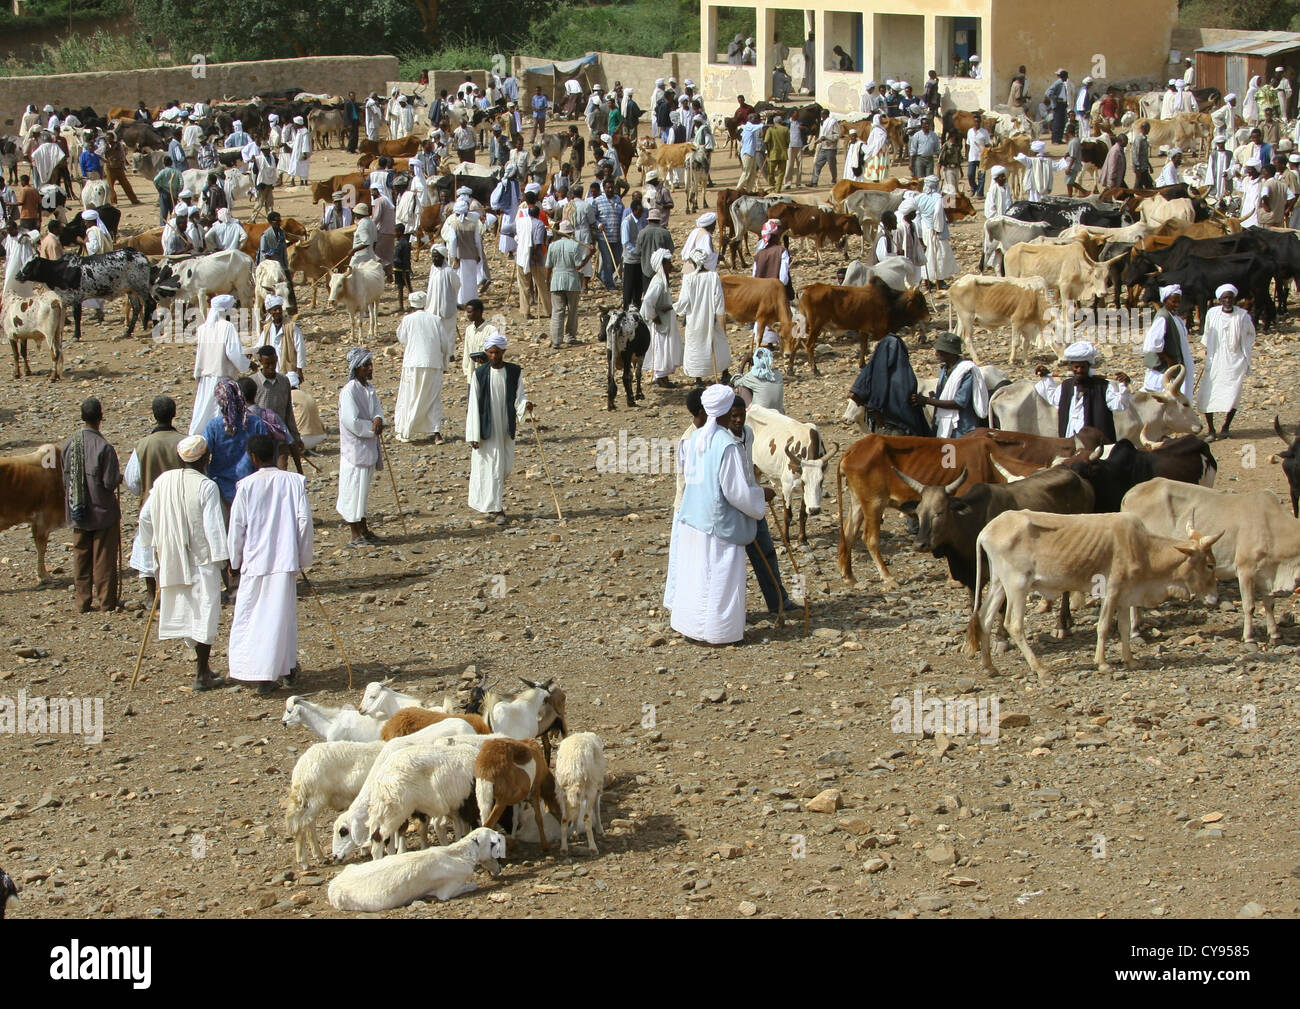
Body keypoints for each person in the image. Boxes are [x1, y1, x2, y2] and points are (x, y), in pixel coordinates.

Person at [663, 384, 772, 645]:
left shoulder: (695, 438)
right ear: (725, 411)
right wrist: (761, 497)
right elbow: (737, 493)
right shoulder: (727, 446)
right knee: (719, 582)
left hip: (692, 520)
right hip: (717, 527)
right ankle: (718, 634)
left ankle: (690, 628)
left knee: (696, 578)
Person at [133, 434, 229, 691]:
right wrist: (224, 566)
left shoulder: (163, 481)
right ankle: (202, 673)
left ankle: (203, 669)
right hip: (202, 561)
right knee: (204, 613)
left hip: (172, 559)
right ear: (206, 459)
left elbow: (145, 517)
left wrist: (156, 546)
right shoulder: (206, 486)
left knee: (190, 612)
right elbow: (214, 529)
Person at [227, 433, 314, 696]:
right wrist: (301, 556)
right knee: (282, 616)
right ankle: (284, 669)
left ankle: (267, 674)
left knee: (257, 616)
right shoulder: (293, 482)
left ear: (252, 457)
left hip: (256, 561)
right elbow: (304, 522)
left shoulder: (246, 486)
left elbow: (237, 528)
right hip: (284, 559)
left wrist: (234, 560)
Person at [466, 332, 531, 526]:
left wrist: (525, 406)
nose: (494, 356)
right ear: (486, 352)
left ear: (503, 351)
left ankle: (489, 503)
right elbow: (473, 406)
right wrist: (473, 434)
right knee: (492, 467)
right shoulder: (479, 374)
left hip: (505, 426)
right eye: (491, 353)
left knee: (505, 466)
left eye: (497, 352)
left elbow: (520, 396)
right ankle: (497, 509)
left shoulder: (514, 372)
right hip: (486, 427)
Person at [63, 397, 122, 612]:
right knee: (104, 559)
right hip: (102, 512)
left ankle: (82, 601)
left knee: (81, 557)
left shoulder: (70, 444)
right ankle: (106, 602)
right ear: (100, 418)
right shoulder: (104, 447)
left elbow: (65, 477)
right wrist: (119, 478)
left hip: (77, 511)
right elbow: (109, 481)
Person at [1033, 341, 1131, 442]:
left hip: (1096, 446)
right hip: (1070, 443)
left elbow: (1121, 404)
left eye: (1083, 367)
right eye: (1076, 367)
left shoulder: (1102, 387)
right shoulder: (1066, 386)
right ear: (1072, 368)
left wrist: (1124, 385)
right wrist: (1046, 377)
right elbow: (1052, 397)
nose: (1079, 370)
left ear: (1088, 367)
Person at [394, 289, 455, 445]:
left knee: (411, 396)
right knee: (433, 398)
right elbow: (445, 344)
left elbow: (402, 338)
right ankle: (436, 434)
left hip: (413, 364)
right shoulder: (435, 319)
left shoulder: (408, 320)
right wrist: (445, 363)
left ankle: (406, 431)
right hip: (433, 363)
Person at [1196, 284, 1255, 442]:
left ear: (1235, 299)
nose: (1228, 301)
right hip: (1215, 360)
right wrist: (1209, 351)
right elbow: (1207, 333)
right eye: (1225, 298)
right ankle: (1211, 430)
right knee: (1208, 394)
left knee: (1233, 395)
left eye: (1230, 298)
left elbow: (1251, 334)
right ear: (1219, 299)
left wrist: (1243, 354)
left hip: (1234, 362)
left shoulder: (1243, 316)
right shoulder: (1212, 314)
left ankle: (1226, 427)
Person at [202, 377, 267, 520]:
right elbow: (267, 454)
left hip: (220, 488)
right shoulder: (255, 423)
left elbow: (203, 455)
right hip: (251, 486)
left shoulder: (214, 426)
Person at [848, 333, 931, 436]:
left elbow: (854, 394)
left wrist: (874, 411)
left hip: (882, 426)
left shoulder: (872, 371)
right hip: (902, 428)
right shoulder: (904, 374)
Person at [911, 332, 988, 437]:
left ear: (951, 353)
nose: (936, 353)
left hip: (962, 428)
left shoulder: (965, 371)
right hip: (943, 423)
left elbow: (959, 403)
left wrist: (926, 400)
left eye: (940, 351)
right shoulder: (944, 370)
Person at [189, 295, 246, 435]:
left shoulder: (203, 328)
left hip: (205, 377)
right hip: (221, 379)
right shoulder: (228, 327)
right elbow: (233, 353)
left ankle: (196, 442)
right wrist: (248, 364)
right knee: (220, 413)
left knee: (202, 412)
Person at [675, 247, 730, 382]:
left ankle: (698, 379)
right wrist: (718, 314)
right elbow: (719, 299)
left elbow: (684, 300)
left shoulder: (688, 279)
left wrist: (676, 309)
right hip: (711, 318)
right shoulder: (713, 276)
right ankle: (723, 372)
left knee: (696, 347)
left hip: (694, 320)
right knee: (719, 343)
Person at [251, 345, 304, 470]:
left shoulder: (284, 381)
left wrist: (296, 437)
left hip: (280, 436)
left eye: (273, 363)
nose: (271, 367)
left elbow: (288, 412)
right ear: (260, 362)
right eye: (267, 364)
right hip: (261, 439)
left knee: (281, 469)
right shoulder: (253, 383)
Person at [1141, 284, 1193, 401]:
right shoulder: (1163, 317)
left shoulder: (1175, 317)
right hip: (1164, 368)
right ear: (1165, 300)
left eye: (1178, 302)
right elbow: (1154, 344)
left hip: (1175, 365)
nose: (1177, 305)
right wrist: (1168, 359)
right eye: (1173, 301)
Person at [546, 219, 591, 349]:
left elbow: (548, 266)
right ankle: (570, 336)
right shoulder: (574, 245)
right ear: (571, 233)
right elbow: (578, 266)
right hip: (571, 280)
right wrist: (589, 256)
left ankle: (556, 340)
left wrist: (547, 280)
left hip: (556, 280)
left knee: (557, 311)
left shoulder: (553, 245)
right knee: (572, 311)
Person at [642, 248, 682, 387]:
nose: (671, 266)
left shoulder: (661, 280)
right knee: (661, 348)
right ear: (661, 265)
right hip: (660, 322)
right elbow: (648, 301)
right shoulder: (658, 282)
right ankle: (660, 377)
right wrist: (654, 317)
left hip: (665, 319)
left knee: (664, 347)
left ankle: (663, 376)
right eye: (668, 263)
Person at [751, 220, 792, 349]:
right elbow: (783, 277)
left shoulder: (759, 254)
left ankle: (761, 341)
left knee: (762, 317)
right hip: (776, 293)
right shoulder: (781, 251)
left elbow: (754, 276)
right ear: (776, 236)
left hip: (760, 293)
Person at [916, 176, 955, 289]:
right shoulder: (938, 198)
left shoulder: (920, 197)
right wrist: (937, 229)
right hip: (936, 231)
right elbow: (938, 213)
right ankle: (939, 281)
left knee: (927, 254)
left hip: (924, 229)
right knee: (939, 255)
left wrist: (919, 234)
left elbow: (917, 216)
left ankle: (927, 281)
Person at [732, 346, 784, 412]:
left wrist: (744, 362)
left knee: (741, 387)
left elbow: (736, 381)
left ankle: (748, 413)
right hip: (779, 413)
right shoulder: (778, 374)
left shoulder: (752, 376)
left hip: (760, 414)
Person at [965, 113, 992, 198]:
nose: (976, 123)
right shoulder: (969, 132)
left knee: (981, 176)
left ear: (980, 122)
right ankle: (974, 187)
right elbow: (968, 144)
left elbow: (987, 145)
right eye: (975, 121)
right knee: (970, 175)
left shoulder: (984, 132)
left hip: (981, 158)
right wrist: (967, 155)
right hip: (972, 157)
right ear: (973, 122)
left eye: (978, 122)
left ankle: (980, 194)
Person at [811, 109, 840, 185]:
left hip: (831, 148)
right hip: (823, 147)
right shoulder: (823, 123)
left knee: (832, 166)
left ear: (826, 115)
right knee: (817, 164)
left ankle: (834, 180)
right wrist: (818, 140)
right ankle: (814, 182)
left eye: (822, 115)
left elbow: (837, 135)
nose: (821, 116)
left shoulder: (833, 122)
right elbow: (822, 135)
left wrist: (827, 138)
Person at [1045, 69, 1072, 145]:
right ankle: (1055, 140)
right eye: (1067, 76)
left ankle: (1059, 139)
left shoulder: (1063, 83)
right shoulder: (1058, 83)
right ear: (1064, 76)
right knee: (1057, 123)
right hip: (1058, 105)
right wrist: (1056, 98)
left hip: (1062, 105)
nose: (1067, 78)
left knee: (1061, 123)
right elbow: (1048, 93)